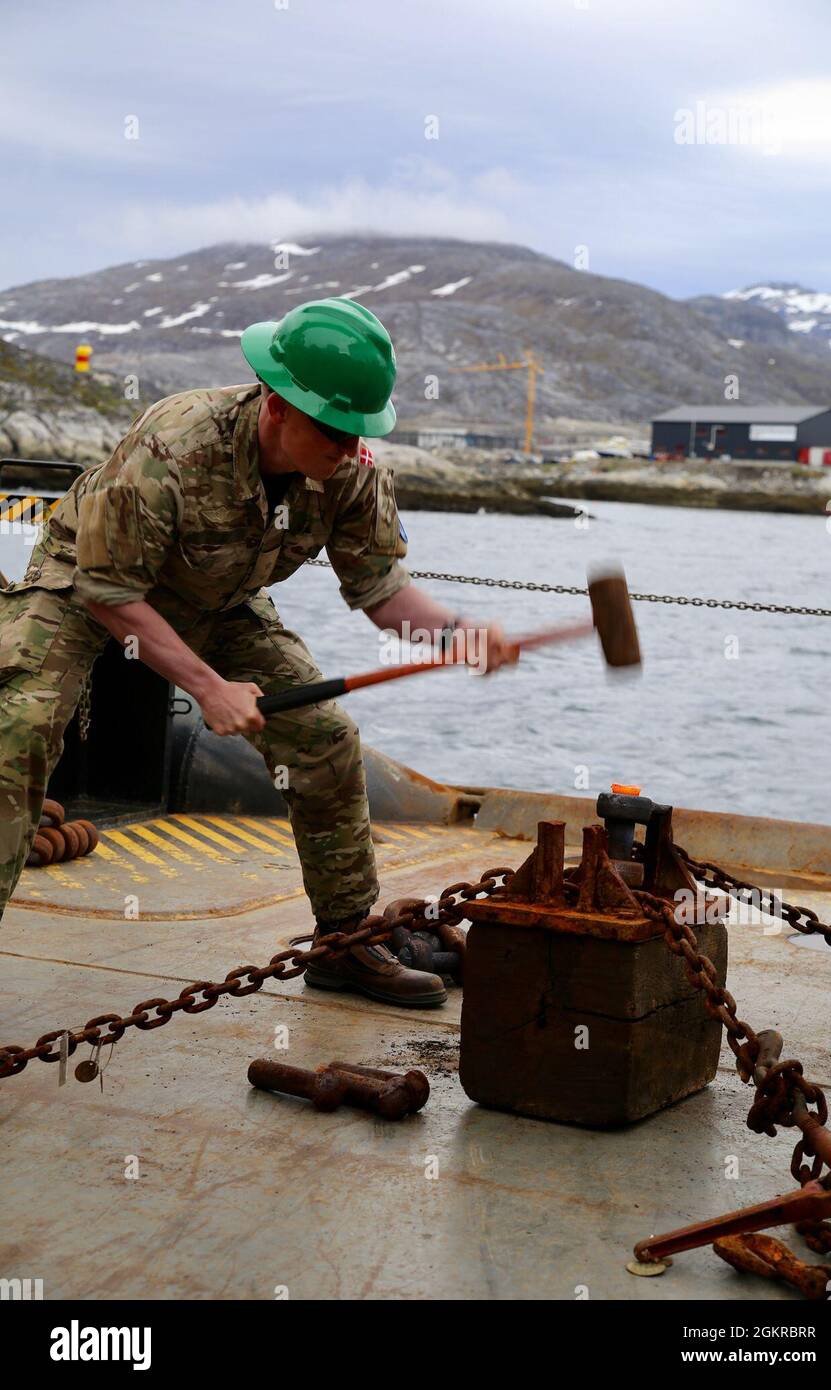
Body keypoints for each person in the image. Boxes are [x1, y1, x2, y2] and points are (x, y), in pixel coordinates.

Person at [0, 298, 513, 1007]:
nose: (346, 448)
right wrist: (208, 687)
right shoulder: (174, 444)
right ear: (276, 406)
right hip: (84, 588)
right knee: (20, 728)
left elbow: (380, 589)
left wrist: (455, 635)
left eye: (356, 433)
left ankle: (341, 945)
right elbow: (109, 591)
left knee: (325, 737)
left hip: (219, 602)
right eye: (331, 431)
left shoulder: (351, 470)